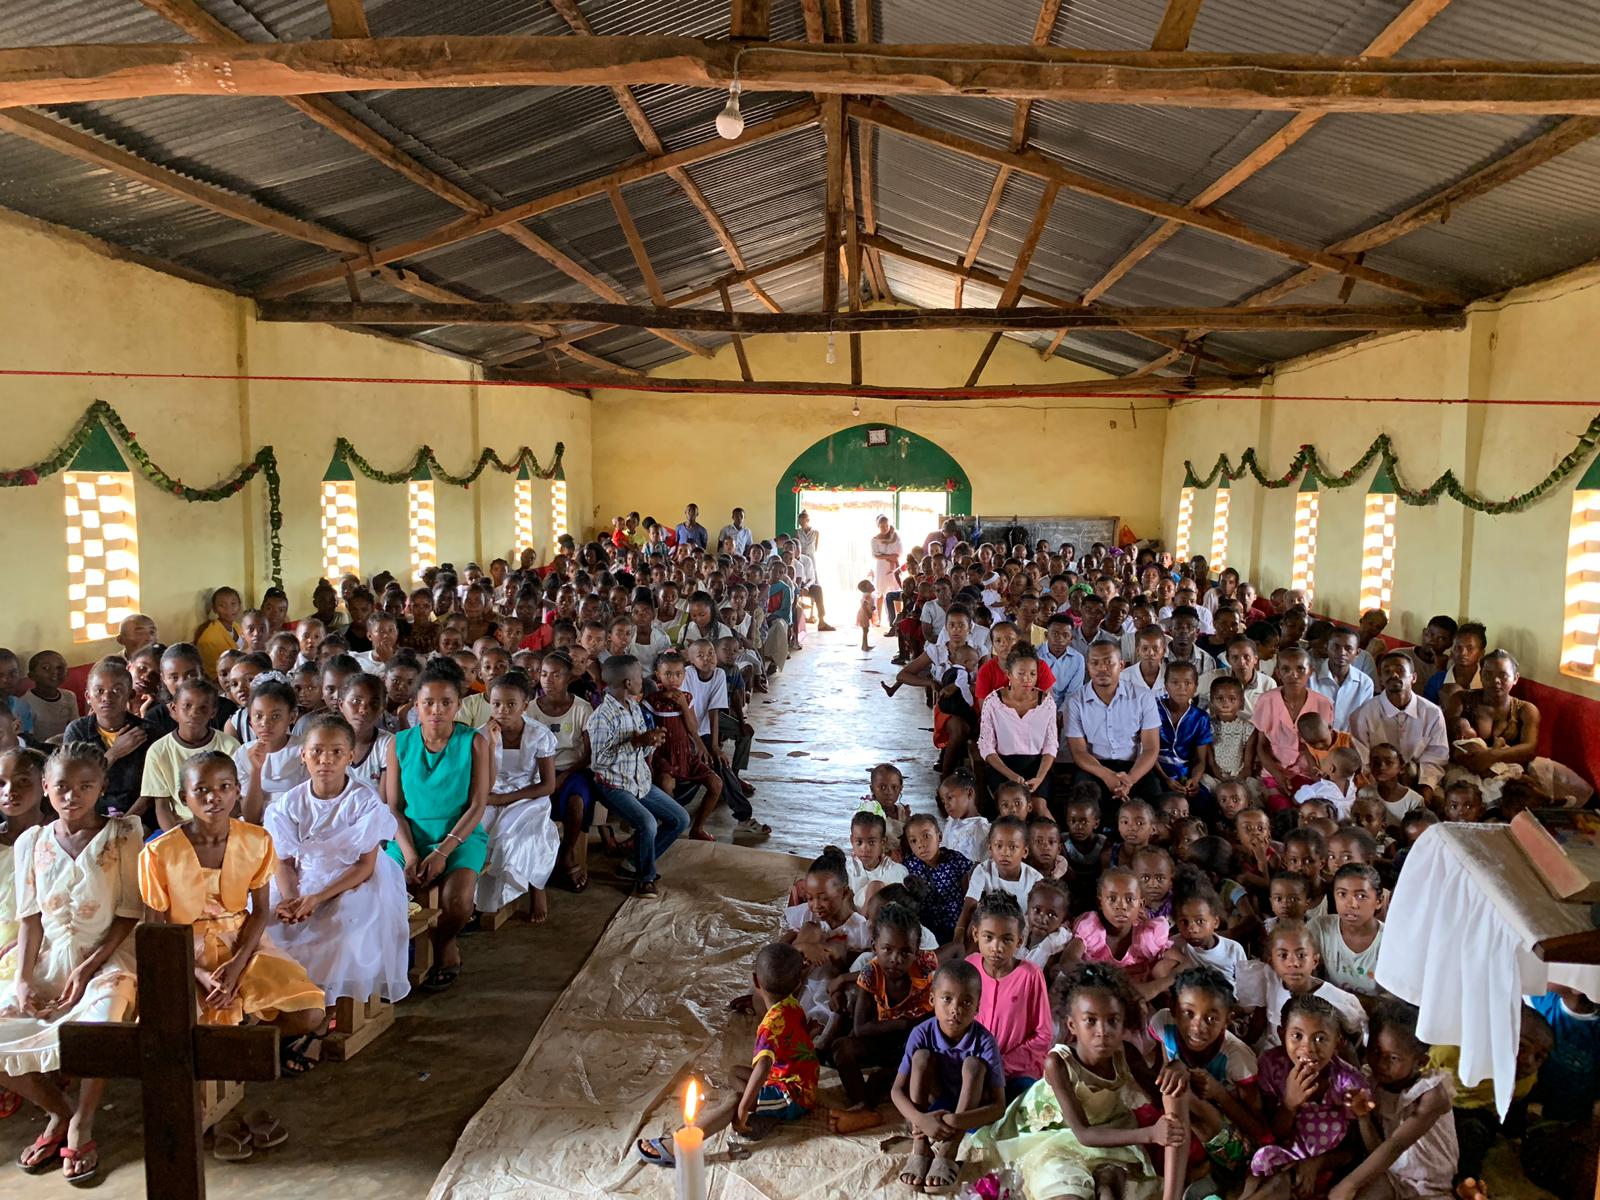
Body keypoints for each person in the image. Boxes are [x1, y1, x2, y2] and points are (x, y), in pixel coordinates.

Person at [0, 744, 142, 1183]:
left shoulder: (124, 834)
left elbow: (128, 913)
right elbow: (30, 920)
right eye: (61, 787)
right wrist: (23, 978)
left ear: (102, 787)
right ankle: (57, 1112)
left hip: (109, 953)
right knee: (7, 1018)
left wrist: (89, 967)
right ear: (46, 788)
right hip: (50, 957)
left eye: (85, 786)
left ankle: (82, 1120)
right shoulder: (33, 842)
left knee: (98, 1025)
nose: (72, 796)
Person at [140, 752, 325, 1071]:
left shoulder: (257, 840)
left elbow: (260, 911)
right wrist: (196, 973)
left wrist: (238, 965)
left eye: (224, 786)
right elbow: (155, 931)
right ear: (184, 797)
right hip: (185, 952)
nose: (214, 797)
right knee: (180, 1029)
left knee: (310, 1013)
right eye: (201, 790)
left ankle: (246, 1044)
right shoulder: (159, 852)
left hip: (244, 943)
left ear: (237, 790)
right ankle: (234, 1049)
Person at [965, 961, 1186, 1200]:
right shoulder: (1058, 1063)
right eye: (1090, 1021)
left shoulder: (1126, 1053)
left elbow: (1158, 1094)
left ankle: (1105, 1181)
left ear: (1124, 1022)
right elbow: (1083, 1134)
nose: (1102, 1031)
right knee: (1065, 1189)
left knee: (1110, 1190)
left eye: (1112, 1020)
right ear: (1072, 1025)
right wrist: (1150, 1134)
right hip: (1055, 1135)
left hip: (1110, 1130)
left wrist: (1176, 1066)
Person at [265, 713, 410, 1008]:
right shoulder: (289, 803)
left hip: (352, 881)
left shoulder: (363, 801)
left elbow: (364, 866)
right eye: (317, 751)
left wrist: (316, 899)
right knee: (268, 926)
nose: (325, 760)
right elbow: (284, 862)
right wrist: (293, 900)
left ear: (351, 756)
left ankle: (328, 1007)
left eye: (336, 752)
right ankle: (283, 1005)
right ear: (303, 755)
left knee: (341, 931)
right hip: (301, 878)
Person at [382, 656, 492, 991]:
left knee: (457, 902)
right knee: (383, 895)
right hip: (409, 835)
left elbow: (477, 805)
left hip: (460, 834)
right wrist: (411, 855)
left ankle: (444, 943)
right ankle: (398, 954)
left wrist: (444, 851)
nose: (436, 710)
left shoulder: (474, 742)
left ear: (459, 705)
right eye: (428, 702)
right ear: (415, 704)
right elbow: (394, 808)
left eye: (446, 703)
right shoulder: (398, 743)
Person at [890, 959, 1008, 1191]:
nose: (956, 1009)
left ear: (977, 1007)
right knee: (921, 1057)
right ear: (932, 999)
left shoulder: (984, 1040)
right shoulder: (921, 1033)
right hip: (935, 1107)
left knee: (973, 1065)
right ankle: (920, 1148)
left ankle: (948, 1152)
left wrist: (956, 1121)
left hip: (969, 1111)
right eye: (947, 999)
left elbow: (999, 1105)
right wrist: (921, 1119)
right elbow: (896, 1091)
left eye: (966, 1002)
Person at [1245, 995, 1370, 1199]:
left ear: (1337, 1043)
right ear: (1281, 1034)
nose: (1308, 1048)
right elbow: (1269, 1134)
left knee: (1278, 1185)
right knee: (1259, 1182)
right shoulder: (1272, 1065)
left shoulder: (1348, 1083)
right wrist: (1288, 1105)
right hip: (1277, 1157)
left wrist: (1317, 1163)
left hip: (1324, 1167)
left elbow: (1354, 1150)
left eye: (1321, 1039)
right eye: (1297, 1036)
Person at [586, 655, 690, 900]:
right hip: (613, 785)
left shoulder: (633, 707)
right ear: (627, 682)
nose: (643, 680)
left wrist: (651, 741)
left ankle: (632, 863)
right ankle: (645, 878)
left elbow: (641, 746)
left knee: (680, 819)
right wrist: (636, 742)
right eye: (638, 677)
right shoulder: (602, 717)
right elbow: (598, 762)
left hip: (639, 780)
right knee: (647, 823)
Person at [1336, 1000, 1458, 1200]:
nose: (1381, 1064)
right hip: (1391, 1176)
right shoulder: (1371, 1082)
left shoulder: (1431, 1094)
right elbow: (1378, 1150)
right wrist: (1363, 1117)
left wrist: (1348, 1185)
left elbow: (1397, 1144)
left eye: (1393, 1058)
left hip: (1432, 1186)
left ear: (1420, 1062)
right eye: (1376, 1052)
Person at [477, 671, 560, 922]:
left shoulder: (539, 734)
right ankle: (484, 899)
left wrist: (503, 800)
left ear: (524, 706)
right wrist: (491, 744)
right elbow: (478, 778)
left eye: (511, 704)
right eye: (496, 704)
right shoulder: (482, 734)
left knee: (512, 836)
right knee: (477, 831)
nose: (502, 710)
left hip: (529, 797)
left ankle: (537, 886)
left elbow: (547, 786)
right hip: (491, 793)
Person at [1064, 641, 1162, 811]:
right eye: (1095, 663)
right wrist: (1107, 775)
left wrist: (1130, 779)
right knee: (1083, 803)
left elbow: (1150, 748)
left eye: (1109, 662)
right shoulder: (1075, 702)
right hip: (1095, 768)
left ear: (1122, 665)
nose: (1102, 668)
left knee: (1152, 803)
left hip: (1133, 768)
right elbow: (1079, 752)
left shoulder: (1143, 697)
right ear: (1088, 667)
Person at [1350, 653, 1450, 806]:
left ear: (1413, 677)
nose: (1394, 675)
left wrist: (1425, 793)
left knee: (1440, 803)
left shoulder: (1432, 713)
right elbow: (1363, 759)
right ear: (1381, 680)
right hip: (1377, 778)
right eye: (1387, 672)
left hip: (1418, 779)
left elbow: (1436, 758)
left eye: (1400, 670)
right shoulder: (1364, 713)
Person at [979, 648, 1058, 807]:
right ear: (1008, 675)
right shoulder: (993, 702)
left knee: (1038, 807)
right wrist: (1012, 776)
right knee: (1012, 806)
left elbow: (1050, 745)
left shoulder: (1047, 702)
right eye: (1021, 674)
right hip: (1003, 767)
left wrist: (1039, 778)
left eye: (1032, 674)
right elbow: (986, 746)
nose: (1027, 679)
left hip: (1037, 767)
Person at [1311, 627, 1374, 734]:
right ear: (1326, 648)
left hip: (1347, 743)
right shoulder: (1311, 677)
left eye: (1348, 648)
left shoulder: (1365, 683)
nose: (1342, 652)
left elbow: (1363, 721)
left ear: (1357, 653)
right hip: (1313, 740)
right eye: (1336, 647)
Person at [869, 514, 903, 627]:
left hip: (894, 566)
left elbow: (900, 551)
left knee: (896, 591)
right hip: (882, 567)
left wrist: (894, 557)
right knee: (881, 592)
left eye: (887, 526)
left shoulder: (895, 536)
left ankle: (898, 617)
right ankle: (879, 618)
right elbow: (875, 555)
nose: (885, 528)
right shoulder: (874, 540)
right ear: (878, 526)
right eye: (882, 526)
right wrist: (889, 557)